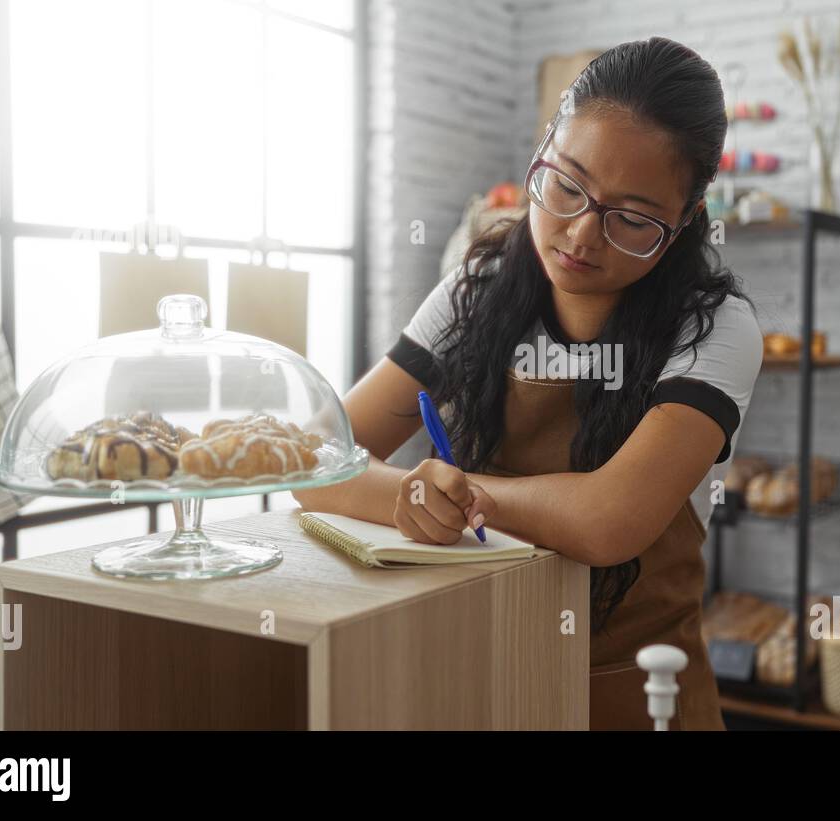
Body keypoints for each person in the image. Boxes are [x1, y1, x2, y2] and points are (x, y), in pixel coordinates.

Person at [294, 36, 762, 730]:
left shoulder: (714, 326)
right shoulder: (477, 291)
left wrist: (458, 497)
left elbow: (609, 520)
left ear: (686, 219)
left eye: (631, 218)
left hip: (637, 699)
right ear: (542, 151)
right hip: (482, 677)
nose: (579, 234)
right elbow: (316, 459)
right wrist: (418, 495)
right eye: (566, 185)